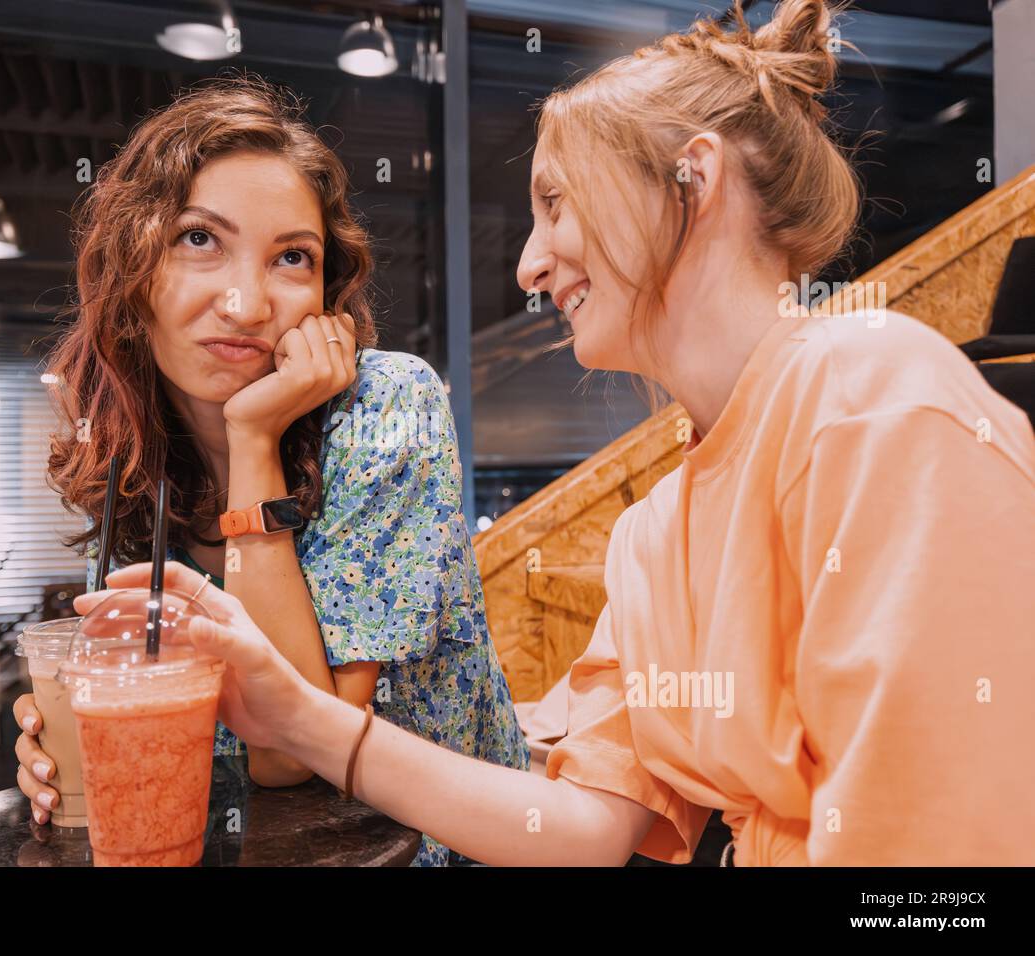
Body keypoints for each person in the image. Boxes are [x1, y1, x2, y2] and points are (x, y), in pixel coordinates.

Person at [113, 0, 1035, 865]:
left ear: (696, 180)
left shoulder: (880, 403)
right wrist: (296, 717)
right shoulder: (657, 526)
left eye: (553, 203)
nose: (526, 263)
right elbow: (591, 826)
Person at [14, 76, 528, 865]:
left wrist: (253, 439)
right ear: (132, 267)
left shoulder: (388, 406)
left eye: (292, 257)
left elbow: (293, 752)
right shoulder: (131, 457)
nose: (248, 304)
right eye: (199, 240)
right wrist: (74, 750)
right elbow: (170, 715)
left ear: (328, 292)